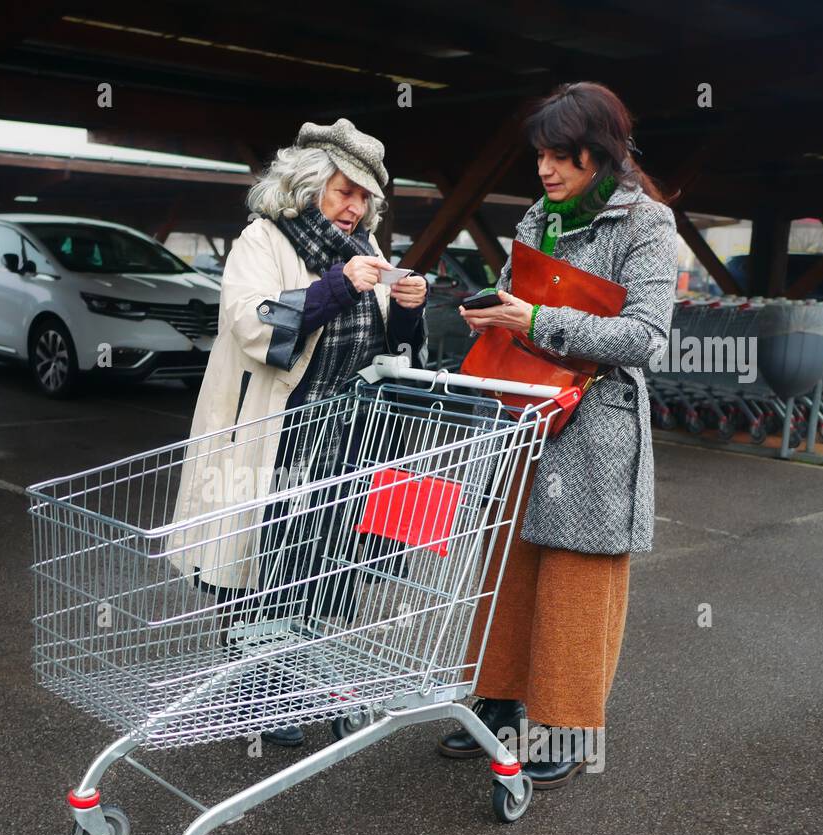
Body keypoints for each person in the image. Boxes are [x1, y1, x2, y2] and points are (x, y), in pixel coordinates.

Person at [436, 81, 678, 790]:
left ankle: (566, 723)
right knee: (508, 567)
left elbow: (647, 337)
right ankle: (500, 704)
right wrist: (491, 310)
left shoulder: (647, 224)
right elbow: (517, 291)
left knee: (575, 577)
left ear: (598, 151)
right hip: (529, 412)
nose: (544, 170)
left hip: (597, 423)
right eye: (539, 155)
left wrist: (537, 325)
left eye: (560, 156)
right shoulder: (538, 217)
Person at [170, 117, 428, 747]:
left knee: (320, 559)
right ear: (309, 186)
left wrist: (410, 310)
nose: (355, 207)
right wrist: (339, 286)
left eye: (365, 197)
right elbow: (256, 327)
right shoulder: (263, 241)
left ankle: (301, 673)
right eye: (345, 192)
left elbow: (387, 347)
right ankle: (255, 687)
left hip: (344, 438)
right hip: (272, 432)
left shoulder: (366, 252)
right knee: (263, 558)